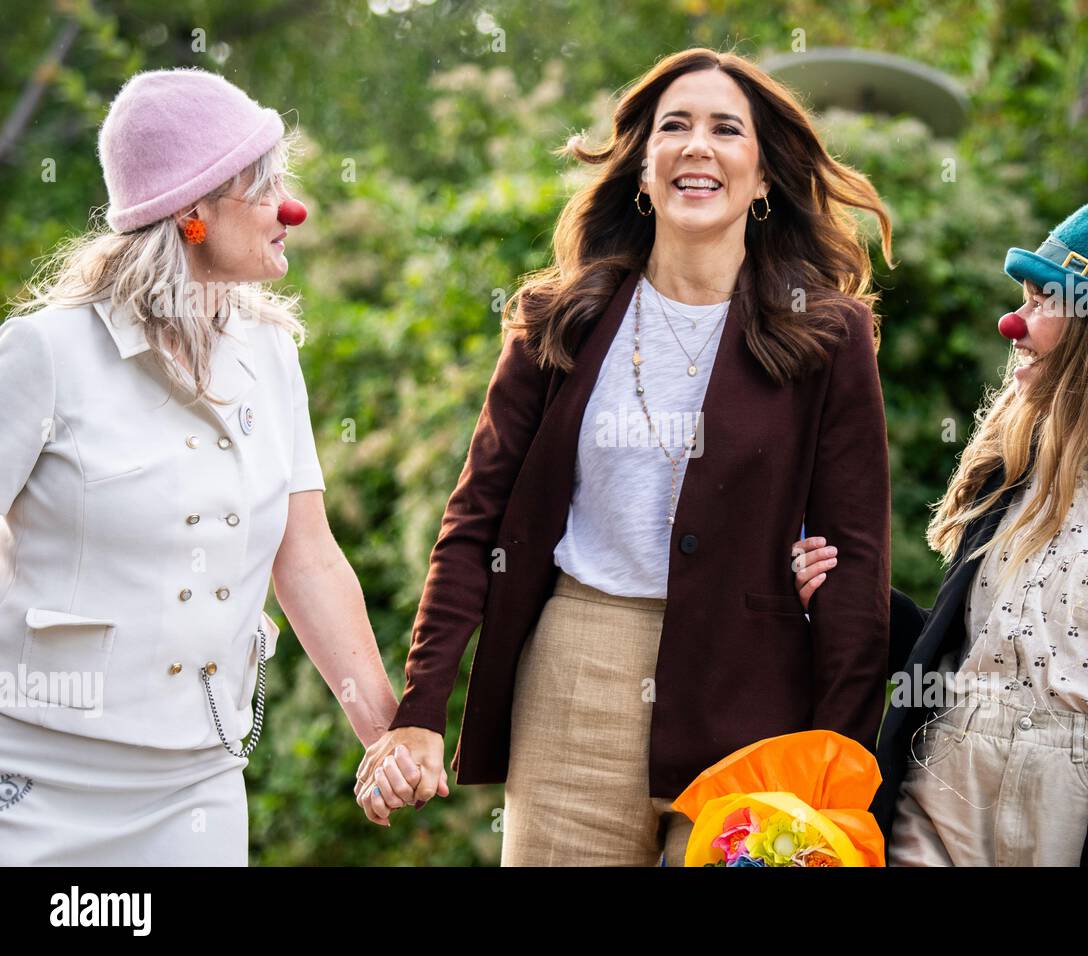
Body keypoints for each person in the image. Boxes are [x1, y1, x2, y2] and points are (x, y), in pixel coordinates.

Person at [354, 48, 894, 866]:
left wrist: (838, 772)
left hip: (753, 703)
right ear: (643, 169)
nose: (697, 145)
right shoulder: (557, 319)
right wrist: (421, 709)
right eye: (674, 126)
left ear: (763, 178)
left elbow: (854, 567)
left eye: (726, 129)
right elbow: (475, 523)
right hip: (576, 685)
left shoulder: (827, 334)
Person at [792, 185, 1088, 866]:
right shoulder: (1006, 468)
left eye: (1040, 301)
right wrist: (850, 595)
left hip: (1083, 812)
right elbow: (964, 646)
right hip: (945, 780)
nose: (1012, 324)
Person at [0, 68, 408, 865]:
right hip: (37, 778)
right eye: (265, 187)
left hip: (200, 780)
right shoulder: (46, 351)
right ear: (192, 213)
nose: (292, 209)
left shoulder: (271, 353)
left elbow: (307, 557)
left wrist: (386, 734)